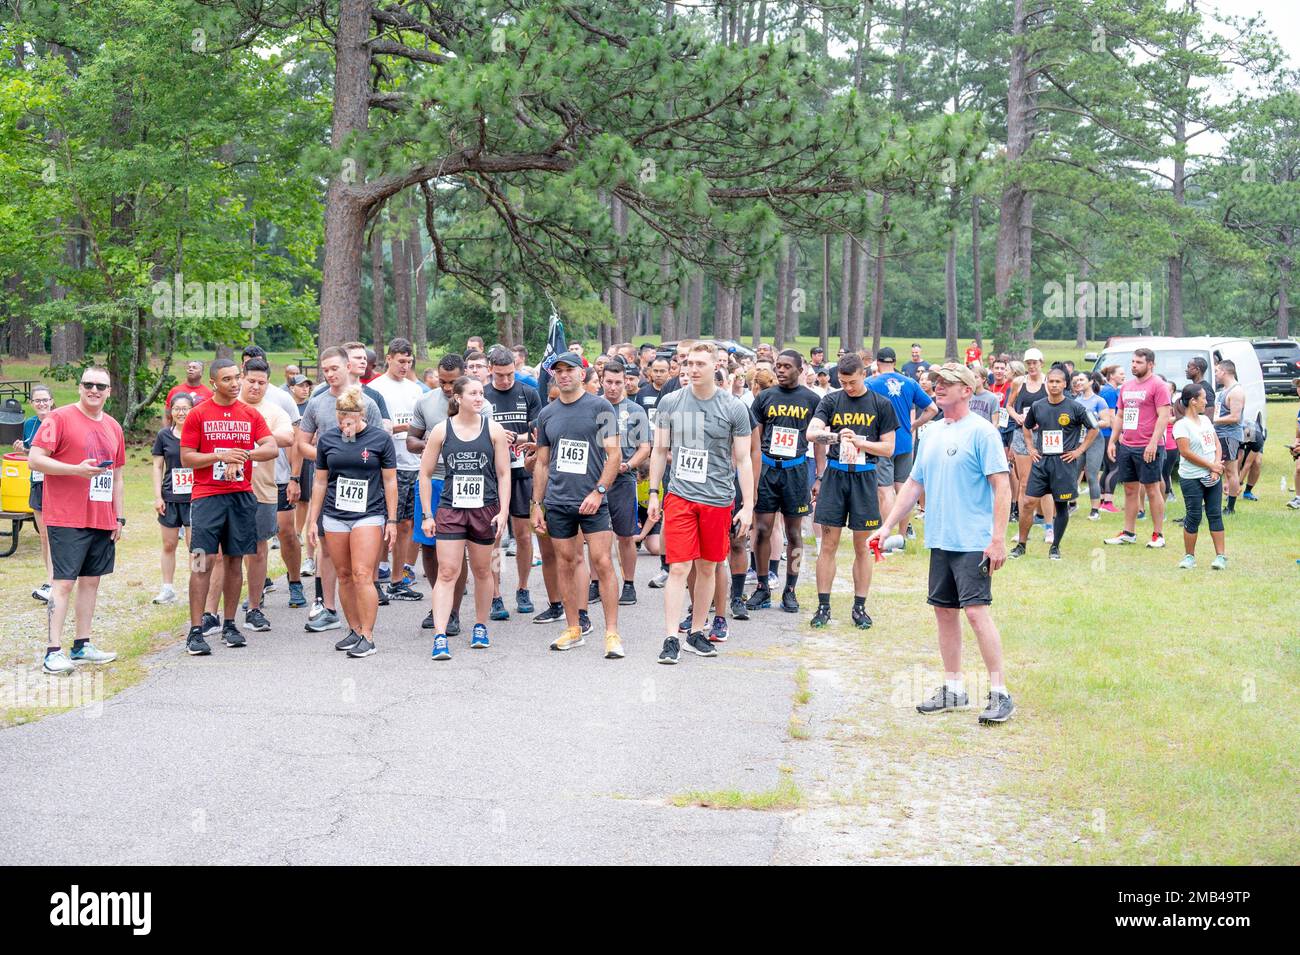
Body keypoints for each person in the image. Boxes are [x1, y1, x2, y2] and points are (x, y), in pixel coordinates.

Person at [869, 364, 1014, 724]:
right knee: (944, 612)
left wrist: (998, 539)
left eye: (948, 383)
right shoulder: (931, 432)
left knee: (977, 613)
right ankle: (954, 688)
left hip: (973, 541)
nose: (939, 387)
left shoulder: (982, 432)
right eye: (937, 382)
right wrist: (887, 526)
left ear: (967, 390)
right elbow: (914, 485)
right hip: (941, 538)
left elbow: (1002, 485)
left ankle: (1000, 693)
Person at [646, 342, 754, 664]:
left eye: (699, 364)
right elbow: (659, 451)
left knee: (708, 567)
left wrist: (748, 506)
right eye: (688, 363)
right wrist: (653, 492)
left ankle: (696, 631)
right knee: (679, 567)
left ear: (714, 368)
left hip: (718, 499)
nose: (692, 369)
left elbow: (744, 460)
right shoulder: (670, 402)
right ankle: (670, 638)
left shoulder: (733, 408)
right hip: (680, 496)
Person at [26, 367, 125, 675]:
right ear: (80, 387)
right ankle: (52, 652)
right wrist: (74, 470)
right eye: (89, 384)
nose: (94, 390)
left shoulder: (113, 426)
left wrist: (118, 516)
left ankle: (82, 645)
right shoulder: (60, 418)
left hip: (101, 516)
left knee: (91, 581)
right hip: (67, 516)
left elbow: (117, 475)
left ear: (109, 391)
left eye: (101, 386)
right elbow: (35, 459)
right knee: (64, 582)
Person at [180, 359, 278, 655]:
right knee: (203, 561)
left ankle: (231, 624)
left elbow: (271, 447)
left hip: (241, 495)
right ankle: (196, 630)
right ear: (213, 383)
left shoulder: (249, 413)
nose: (235, 384)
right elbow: (186, 457)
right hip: (207, 496)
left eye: (238, 377)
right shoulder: (198, 414)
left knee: (235, 561)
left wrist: (246, 455)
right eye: (228, 379)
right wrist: (219, 457)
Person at [531, 350, 624, 658]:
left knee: (602, 562)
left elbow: (615, 456)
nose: (563, 375)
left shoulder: (600, 407)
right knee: (566, 563)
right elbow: (543, 463)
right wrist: (536, 504)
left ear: (582, 373)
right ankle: (573, 628)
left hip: (592, 500)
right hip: (558, 501)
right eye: (558, 370)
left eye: (569, 369)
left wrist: (599, 491)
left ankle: (612, 633)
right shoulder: (547, 414)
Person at [420, 376, 513, 659]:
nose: (478, 397)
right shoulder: (441, 430)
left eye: (481, 393)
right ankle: (439, 635)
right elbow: (424, 473)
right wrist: (427, 514)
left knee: (483, 571)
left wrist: (503, 510)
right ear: (458, 398)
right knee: (447, 572)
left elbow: (503, 473)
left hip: (484, 508)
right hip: (451, 508)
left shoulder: (493, 430)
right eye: (472, 393)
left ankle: (481, 626)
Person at [805, 353, 898, 630]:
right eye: (843, 382)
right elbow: (811, 433)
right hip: (835, 475)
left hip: (865, 476)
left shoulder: (881, 404)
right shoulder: (831, 400)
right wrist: (836, 437)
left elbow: (889, 448)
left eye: (853, 382)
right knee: (828, 544)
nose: (848, 387)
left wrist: (860, 442)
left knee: (862, 546)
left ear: (864, 374)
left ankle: (860, 607)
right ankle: (823, 606)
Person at [298, 346, 387, 633]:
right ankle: (327, 605)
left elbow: (378, 447)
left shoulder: (369, 402)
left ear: (348, 366)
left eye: (334, 368)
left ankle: (366, 615)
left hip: (365, 489)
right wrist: (330, 458)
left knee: (361, 560)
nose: (329, 374)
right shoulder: (317, 402)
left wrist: (351, 460)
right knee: (327, 549)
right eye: (324, 370)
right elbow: (302, 443)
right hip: (329, 485)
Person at [307, 386, 397, 658]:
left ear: (361, 416)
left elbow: (390, 481)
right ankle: (354, 629)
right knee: (344, 575)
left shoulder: (380, 438)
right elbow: (320, 481)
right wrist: (313, 520)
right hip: (335, 515)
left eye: (349, 419)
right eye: (340, 419)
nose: (344, 424)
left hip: (368, 513)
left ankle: (368, 636)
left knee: (362, 574)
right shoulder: (328, 439)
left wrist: (391, 520)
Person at [747, 350, 820, 615]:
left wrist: (819, 475)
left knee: (793, 533)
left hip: (796, 471)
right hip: (768, 469)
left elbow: (818, 438)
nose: (780, 370)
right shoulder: (764, 398)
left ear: (800, 370)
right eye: (778, 366)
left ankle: (790, 589)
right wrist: (754, 475)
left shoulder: (812, 400)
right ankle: (763, 585)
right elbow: (756, 439)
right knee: (763, 529)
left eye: (787, 366)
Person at [1010, 366, 1097, 560]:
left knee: (1061, 506)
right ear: (1046, 384)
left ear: (1065, 384)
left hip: (1064, 463)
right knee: (1028, 502)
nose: (1054, 385)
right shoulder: (1038, 406)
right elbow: (1026, 427)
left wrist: (1079, 451)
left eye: (1058, 382)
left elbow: (1094, 428)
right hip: (1041, 462)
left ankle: (1055, 547)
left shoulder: (1075, 407)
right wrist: (1031, 448)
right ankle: (1021, 545)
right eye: (1051, 381)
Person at [237, 358, 296, 632]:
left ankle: (255, 606)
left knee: (259, 549)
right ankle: (214, 613)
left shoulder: (272, 410)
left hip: (262, 490)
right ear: (241, 378)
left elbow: (287, 437)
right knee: (225, 553)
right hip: (225, 490)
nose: (256, 387)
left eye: (262, 383)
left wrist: (255, 436)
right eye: (251, 381)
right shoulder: (228, 408)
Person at [484, 345, 542, 615]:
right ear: (489, 371)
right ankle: (495, 593)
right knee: (495, 537)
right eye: (499, 375)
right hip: (492, 476)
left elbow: (539, 435)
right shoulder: (482, 396)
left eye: (509, 374)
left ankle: (522, 588)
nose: (505, 380)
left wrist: (517, 438)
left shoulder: (528, 393)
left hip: (521, 473)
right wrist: (496, 437)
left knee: (523, 536)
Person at [367, 338, 426, 601]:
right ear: (388, 358)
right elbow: (376, 427)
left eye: (409, 362)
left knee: (406, 523)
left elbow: (421, 424)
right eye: (400, 361)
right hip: (388, 465)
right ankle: (376, 574)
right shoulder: (376, 389)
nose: (405, 366)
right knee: (382, 522)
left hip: (414, 463)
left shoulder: (415, 389)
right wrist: (403, 428)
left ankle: (397, 578)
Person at [594, 359, 651, 608]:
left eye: (619, 382)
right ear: (601, 380)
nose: (614, 387)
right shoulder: (591, 406)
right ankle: (595, 583)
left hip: (623, 479)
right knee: (595, 535)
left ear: (626, 382)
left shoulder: (635, 411)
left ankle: (628, 584)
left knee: (626, 535)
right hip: (595, 479)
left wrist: (628, 465)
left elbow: (645, 448)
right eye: (609, 382)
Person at [1105, 347, 1171, 548]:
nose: (1134, 365)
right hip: (1127, 445)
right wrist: (1112, 441)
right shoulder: (1127, 387)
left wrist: (1153, 442)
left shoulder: (1158, 385)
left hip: (1149, 446)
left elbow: (1164, 416)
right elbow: (1120, 415)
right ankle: (1128, 532)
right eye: (1133, 362)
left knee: (1152, 489)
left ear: (1150, 364)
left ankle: (1158, 534)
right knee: (1130, 490)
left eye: (1139, 362)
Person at [867, 346, 936, 538]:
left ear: (877, 363)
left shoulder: (871, 383)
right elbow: (932, 409)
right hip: (905, 441)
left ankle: (886, 538)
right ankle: (902, 536)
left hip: (882, 443)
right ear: (895, 363)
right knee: (905, 490)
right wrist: (913, 425)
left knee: (885, 491)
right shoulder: (910, 382)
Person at [1172, 383, 1227, 570]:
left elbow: (1216, 445)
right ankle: (1189, 557)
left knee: (1215, 514)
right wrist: (1211, 465)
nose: (1206, 401)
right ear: (1193, 401)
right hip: (1191, 478)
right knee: (1194, 516)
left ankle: (1220, 556)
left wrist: (1215, 468)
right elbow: (1185, 452)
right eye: (1203, 397)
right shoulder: (1181, 425)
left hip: (1212, 475)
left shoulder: (1205, 420)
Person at [151, 393, 194, 604]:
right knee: (169, 544)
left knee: (195, 546)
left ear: (192, 410)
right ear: (171, 412)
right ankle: (167, 588)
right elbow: (158, 466)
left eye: (185, 408)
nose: (181, 412)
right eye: (177, 408)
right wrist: (158, 496)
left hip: (195, 498)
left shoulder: (198, 435)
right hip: (170, 497)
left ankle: (197, 586)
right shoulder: (163, 436)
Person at [15, 384, 55, 603]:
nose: (41, 404)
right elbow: (33, 455)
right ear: (31, 403)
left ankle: (54, 582)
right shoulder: (30, 424)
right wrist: (23, 450)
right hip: (37, 482)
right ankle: (49, 580)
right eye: (37, 400)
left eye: (45, 400)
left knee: (54, 534)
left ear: (51, 401)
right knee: (44, 536)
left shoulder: (58, 421)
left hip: (56, 483)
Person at [1071, 371, 1109, 520]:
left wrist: (1091, 423)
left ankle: (1095, 510)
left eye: (1082, 380)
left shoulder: (1099, 401)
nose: (1078, 382)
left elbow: (1106, 422)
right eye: (1077, 380)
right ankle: (1072, 504)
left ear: (1091, 381)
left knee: (1092, 475)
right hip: (1077, 442)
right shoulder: (1075, 401)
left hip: (1095, 442)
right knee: (1073, 474)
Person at [1212, 359, 1246, 515]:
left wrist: (1214, 420)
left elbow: (1235, 417)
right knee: (1220, 469)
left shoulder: (1236, 391)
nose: (1216, 374)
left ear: (1224, 372)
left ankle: (1230, 507)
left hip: (1229, 436)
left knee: (1231, 471)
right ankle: (1214, 503)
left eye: (1217, 371)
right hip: (1219, 435)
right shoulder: (1224, 390)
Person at [1097, 364, 1125, 513]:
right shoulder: (1110, 392)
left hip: (1104, 434)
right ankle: (1108, 503)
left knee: (1108, 467)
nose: (1124, 376)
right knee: (1116, 467)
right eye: (1121, 373)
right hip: (1108, 435)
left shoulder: (1108, 390)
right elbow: (1112, 416)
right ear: (1112, 375)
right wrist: (1118, 434)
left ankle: (1102, 501)